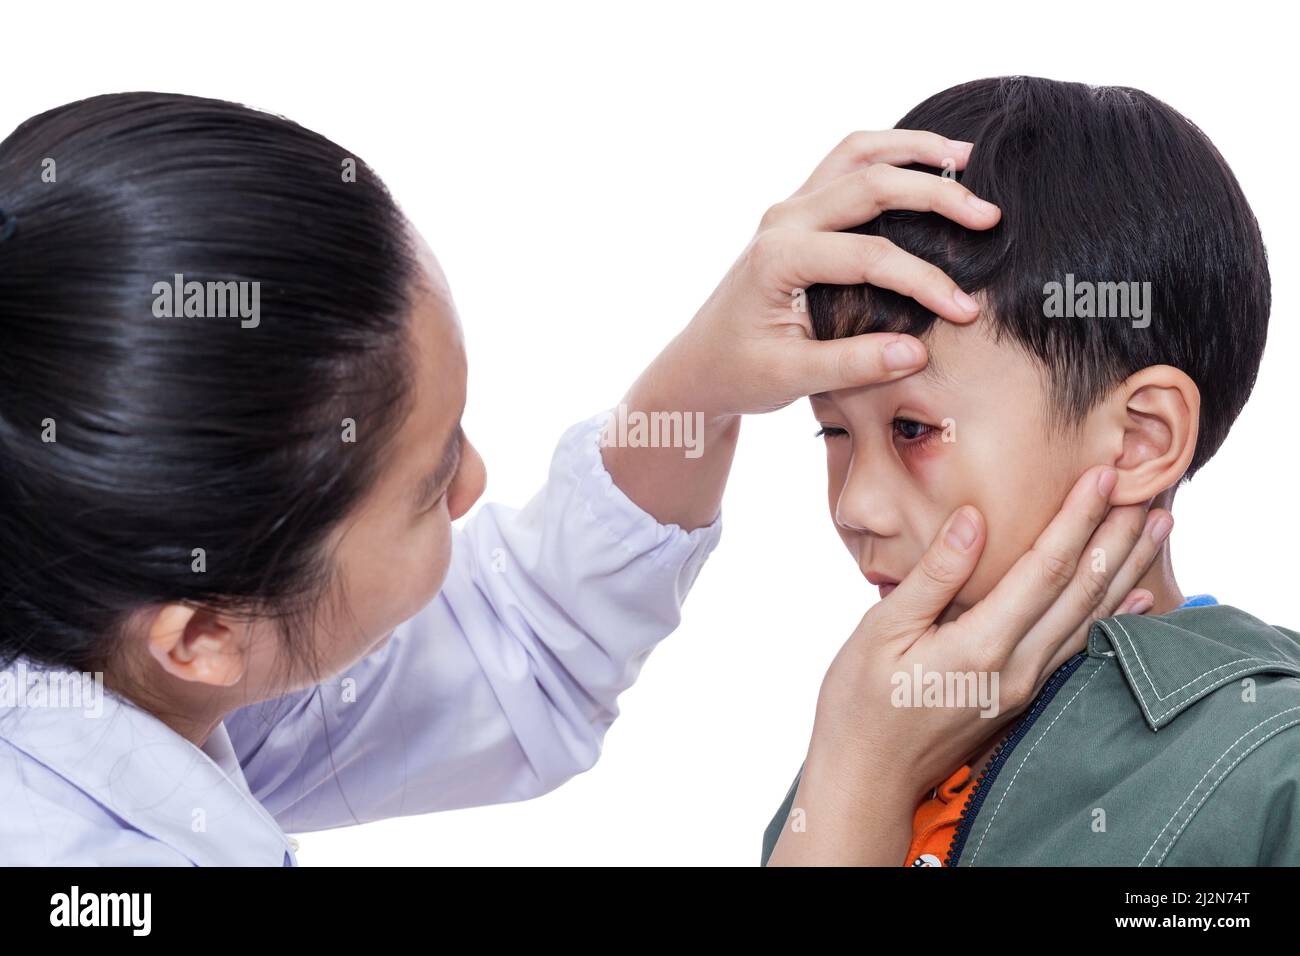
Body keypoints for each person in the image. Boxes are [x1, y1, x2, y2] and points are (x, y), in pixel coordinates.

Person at [0, 92, 1156, 865]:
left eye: (909, 425)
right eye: (428, 479)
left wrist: (697, 388)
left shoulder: (107, 637)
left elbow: (522, 641)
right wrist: (849, 788)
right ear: (202, 631)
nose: (476, 483)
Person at [763, 76, 1298, 867]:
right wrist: (857, 773)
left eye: (912, 428)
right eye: (833, 430)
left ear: (1140, 439)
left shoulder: (1269, 770)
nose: (857, 505)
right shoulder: (877, 724)